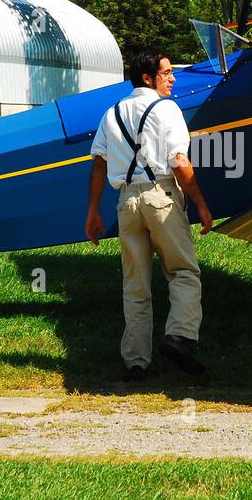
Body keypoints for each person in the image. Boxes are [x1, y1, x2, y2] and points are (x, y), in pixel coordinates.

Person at [85, 50, 214, 381]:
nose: (173, 78)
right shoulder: (167, 109)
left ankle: (136, 364)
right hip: (162, 197)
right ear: (148, 78)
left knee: (135, 286)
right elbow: (179, 162)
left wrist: (93, 211)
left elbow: (99, 163)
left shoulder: (112, 112)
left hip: (126, 202)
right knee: (184, 272)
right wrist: (200, 203)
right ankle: (180, 338)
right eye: (167, 73)